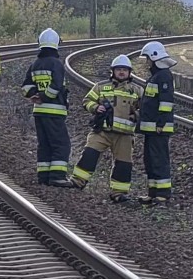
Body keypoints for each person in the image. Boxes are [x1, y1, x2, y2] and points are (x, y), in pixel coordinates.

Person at [70, 55, 143, 202]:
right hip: (102, 131)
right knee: (89, 154)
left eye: (124, 70)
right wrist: (95, 107)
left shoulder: (137, 90)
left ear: (129, 72)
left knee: (123, 164)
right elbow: (87, 101)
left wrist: (136, 115)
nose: (121, 72)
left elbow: (146, 109)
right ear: (113, 71)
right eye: (118, 69)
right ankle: (77, 182)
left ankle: (118, 193)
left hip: (124, 135)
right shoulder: (101, 86)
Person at [22, 28, 73, 187]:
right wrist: (44, 96)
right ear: (56, 44)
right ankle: (57, 176)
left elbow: (25, 86)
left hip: (39, 112)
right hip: (54, 111)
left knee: (44, 144)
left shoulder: (35, 64)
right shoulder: (56, 64)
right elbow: (56, 86)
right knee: (61, 144)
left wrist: (35, 95)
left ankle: (43, 176)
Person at [137, 41, 176, 206]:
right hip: (151, 128)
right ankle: (152, 192)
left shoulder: (164, 76)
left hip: (158, 128)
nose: (146, 62)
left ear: (154, 57)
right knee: (150, 160)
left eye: (147, 58)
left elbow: (166, 102)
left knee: (159, 160)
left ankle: (163, 194)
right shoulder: (156, 76)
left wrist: (160, 122)